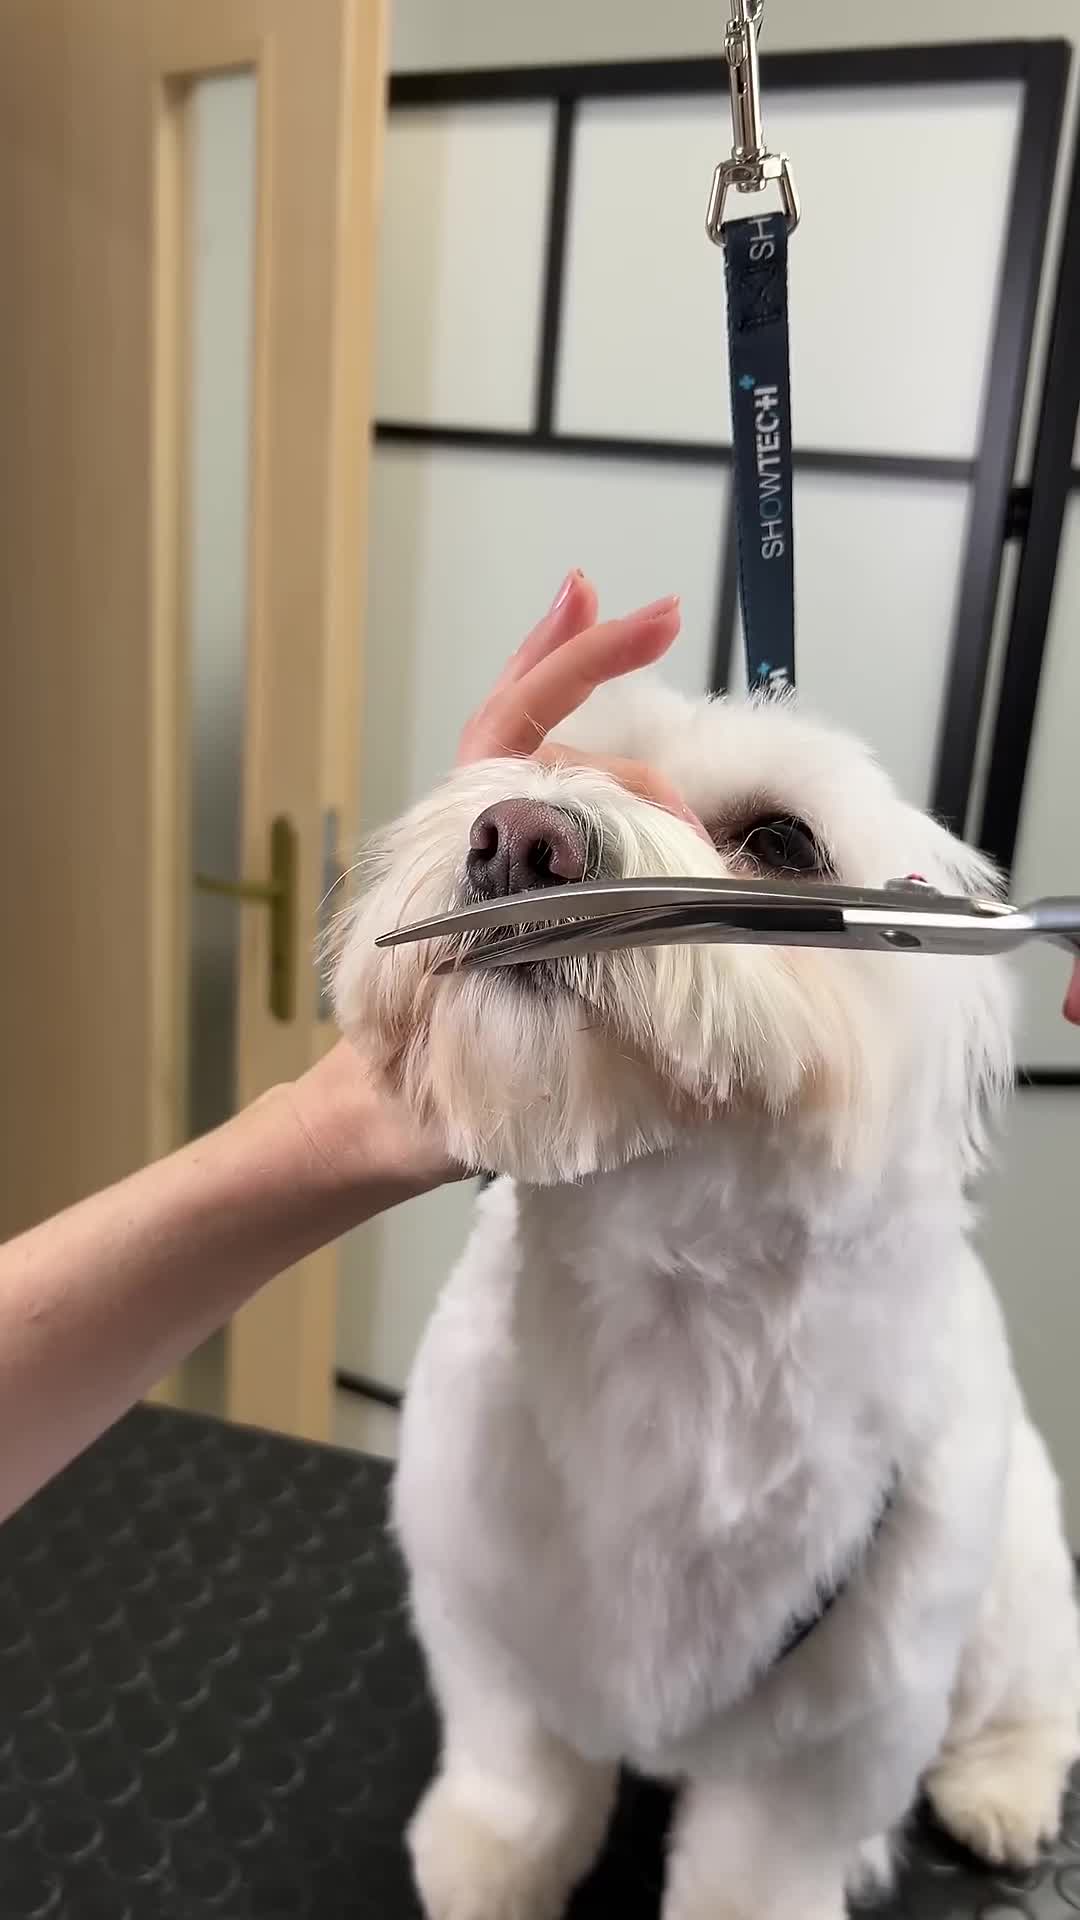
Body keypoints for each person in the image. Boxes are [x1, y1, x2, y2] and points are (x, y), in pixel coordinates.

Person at [0, 572, 1075, 1523]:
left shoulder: (939, 1436)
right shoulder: (473, 1415)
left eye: (773, 844)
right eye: (550, 812)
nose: (531, 844)